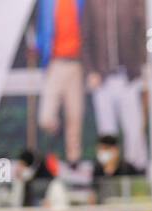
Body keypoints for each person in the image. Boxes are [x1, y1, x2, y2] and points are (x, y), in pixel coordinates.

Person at [35, 0, 85, 168]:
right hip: (55, 63)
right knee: (46, 117)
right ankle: (57, 134)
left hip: (77, 63)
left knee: (75, 115)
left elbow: (88, 26)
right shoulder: (46, 2)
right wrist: (40, 49)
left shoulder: (81, 2)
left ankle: (73, 160)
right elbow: (42, 27)